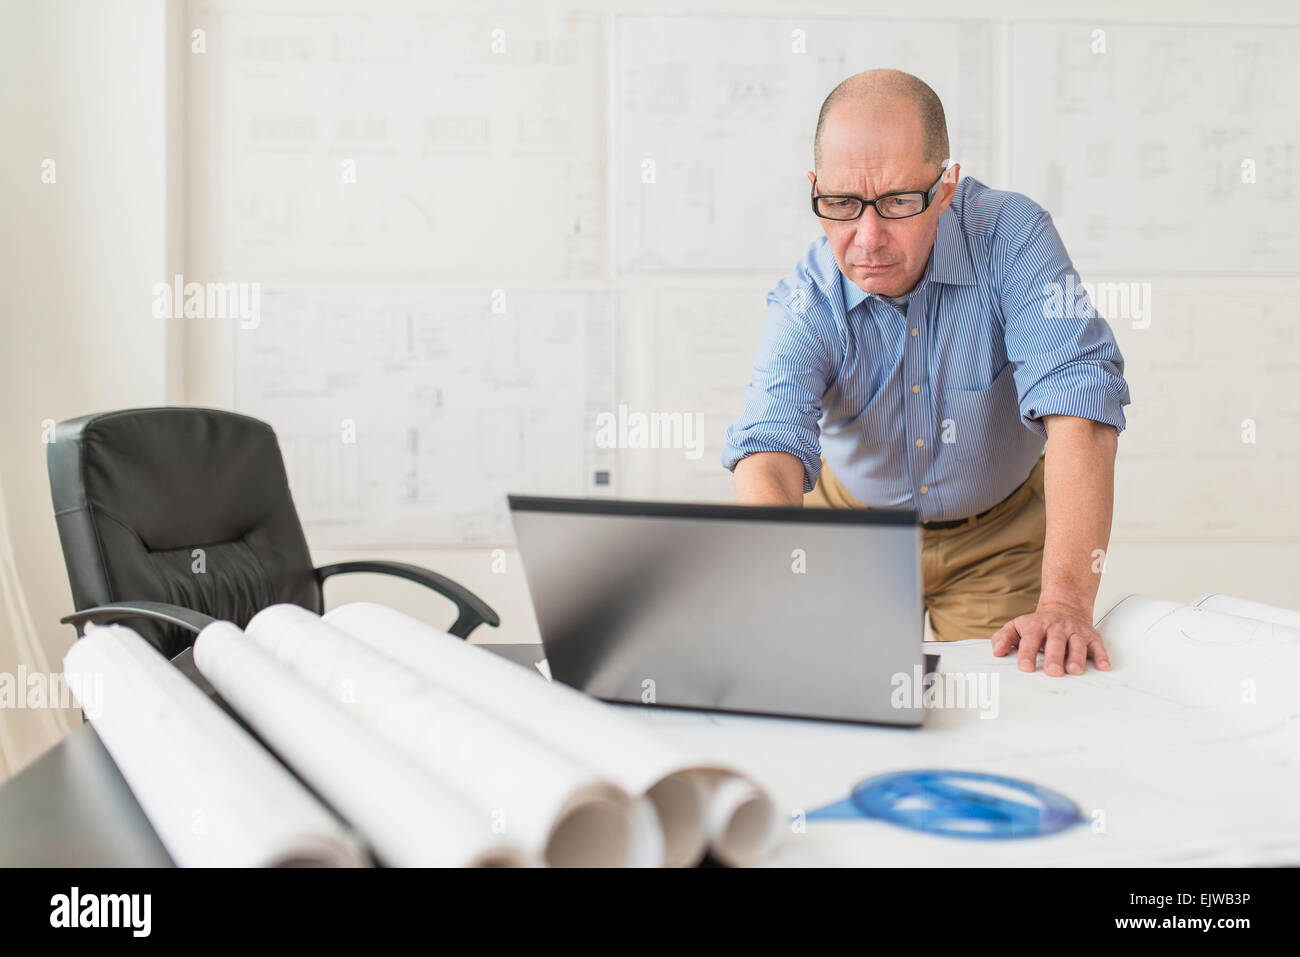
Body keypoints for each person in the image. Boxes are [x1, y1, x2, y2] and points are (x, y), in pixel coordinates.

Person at [722, 69, 1131, 677]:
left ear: (946, 186)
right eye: (839, 205)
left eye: (897, 203)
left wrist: (1066, 602)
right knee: (840, 700)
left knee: (1011, 710)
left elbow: (1079, 395)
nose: (868, 239)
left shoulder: (1013, 238)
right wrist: (774, 581)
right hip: (856, 535)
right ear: (816, 188)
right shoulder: (807, 295)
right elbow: (768, 443)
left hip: (1000, 537)